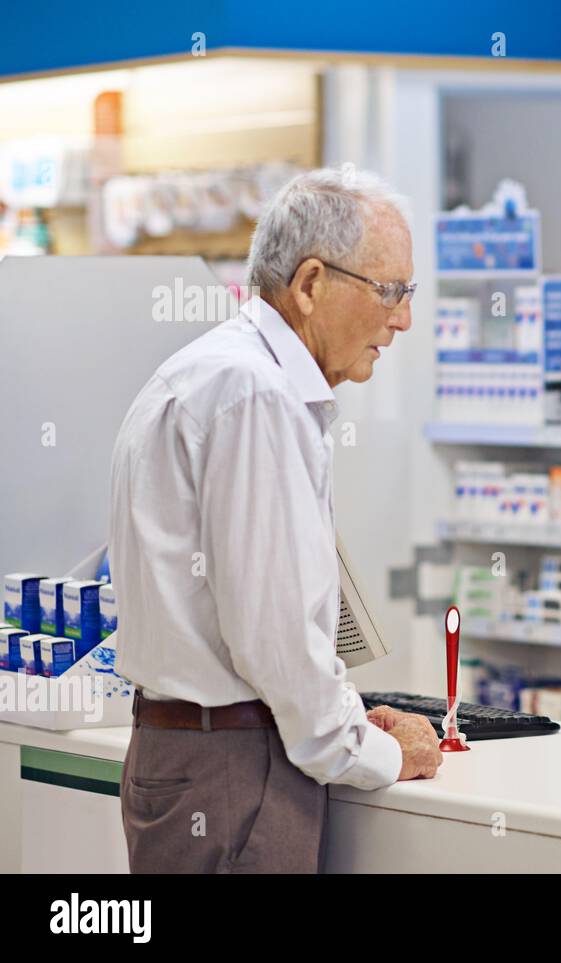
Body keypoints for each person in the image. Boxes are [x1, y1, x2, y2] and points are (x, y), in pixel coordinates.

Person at [109, 166, 442, 874]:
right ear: (311, 283)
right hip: (238, 771)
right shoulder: (254, 394)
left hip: (192, 752)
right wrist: (380, 750)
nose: (403, 318)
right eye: (390, 290)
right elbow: (274, 634)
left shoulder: (210, 371)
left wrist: (345, 711)